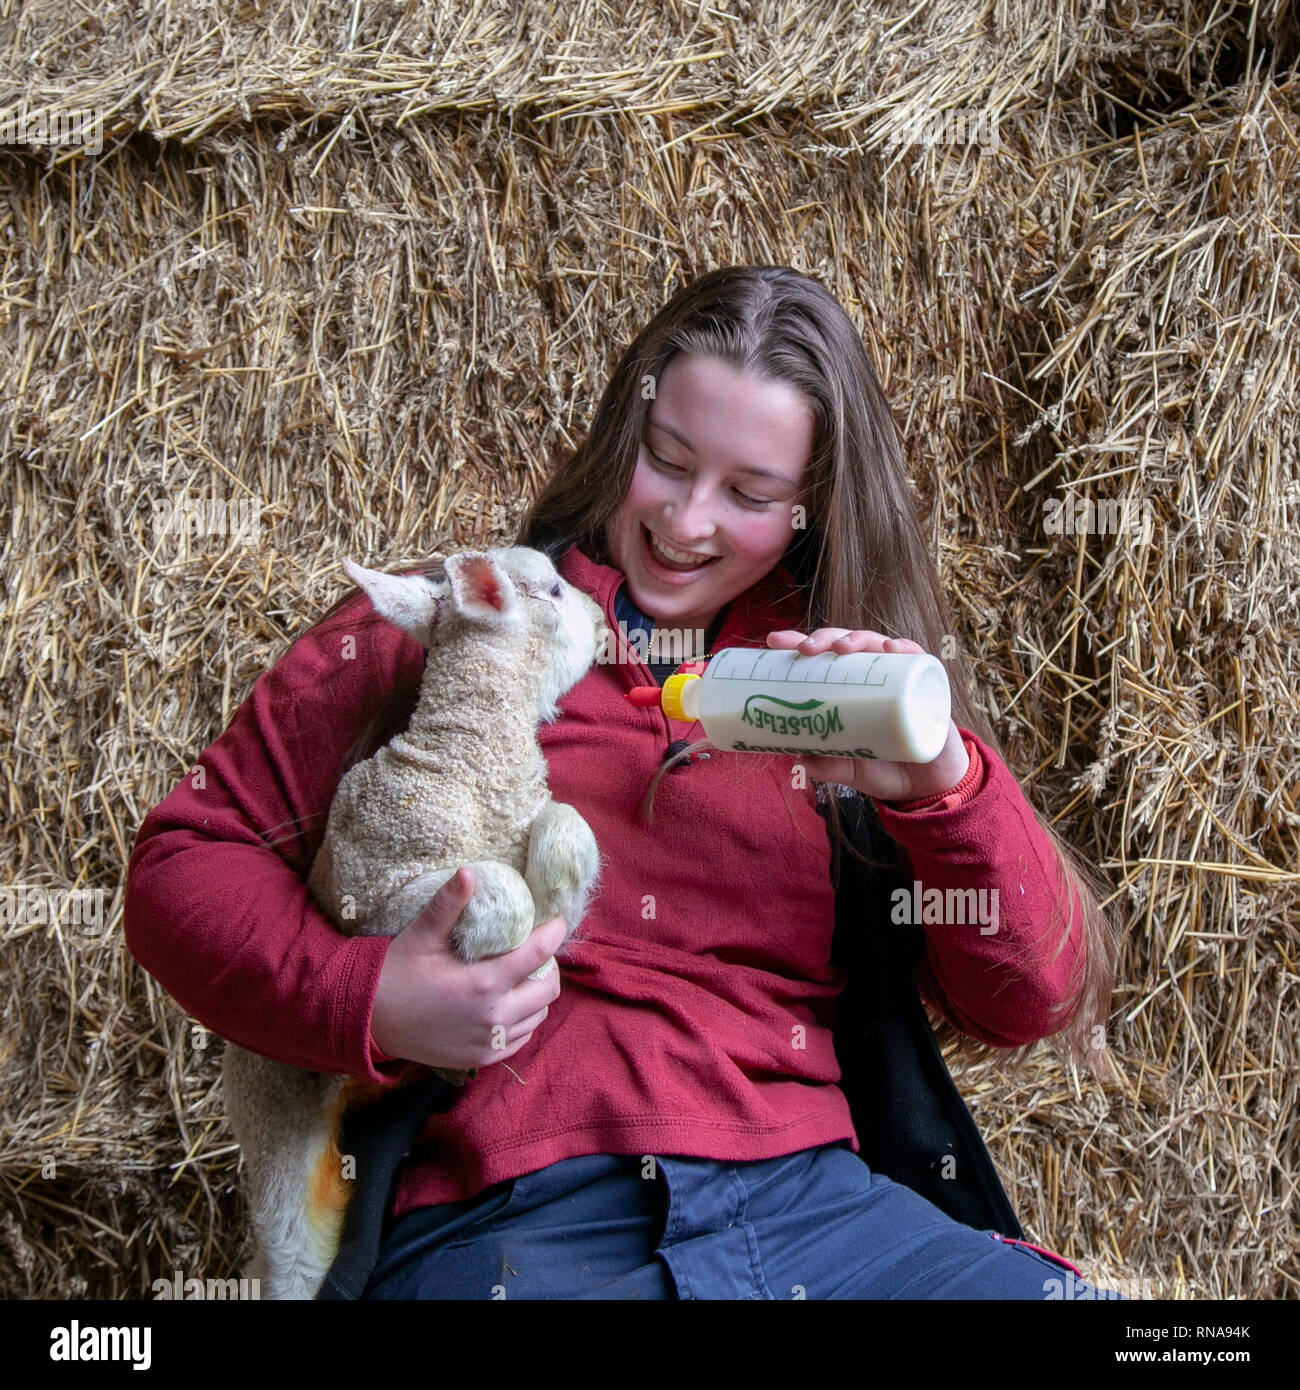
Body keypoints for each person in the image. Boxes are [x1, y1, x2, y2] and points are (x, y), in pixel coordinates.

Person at [124, 265, 1124, 1300]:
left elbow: (1029, 1000)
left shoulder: (843, 686)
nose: (687, 522)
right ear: (622, 432)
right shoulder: (474, 618)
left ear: (811, 506)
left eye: (748, 494)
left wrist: (942, 783)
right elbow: (183, 864)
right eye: (667, 459)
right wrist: (377, 1002)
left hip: (817, 1215)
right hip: (516, 1221)